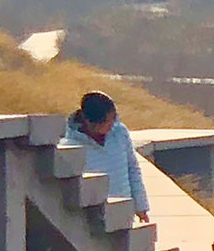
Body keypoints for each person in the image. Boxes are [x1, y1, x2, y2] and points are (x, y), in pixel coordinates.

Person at [62, 91, 150, 223]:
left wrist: (140, 205)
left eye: (113, 118)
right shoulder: (70, 146)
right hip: (95, 219)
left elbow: (132, 168)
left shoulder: (120, 132)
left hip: (125, 211)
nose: (112, 124)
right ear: (89, 122)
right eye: (107, 122)